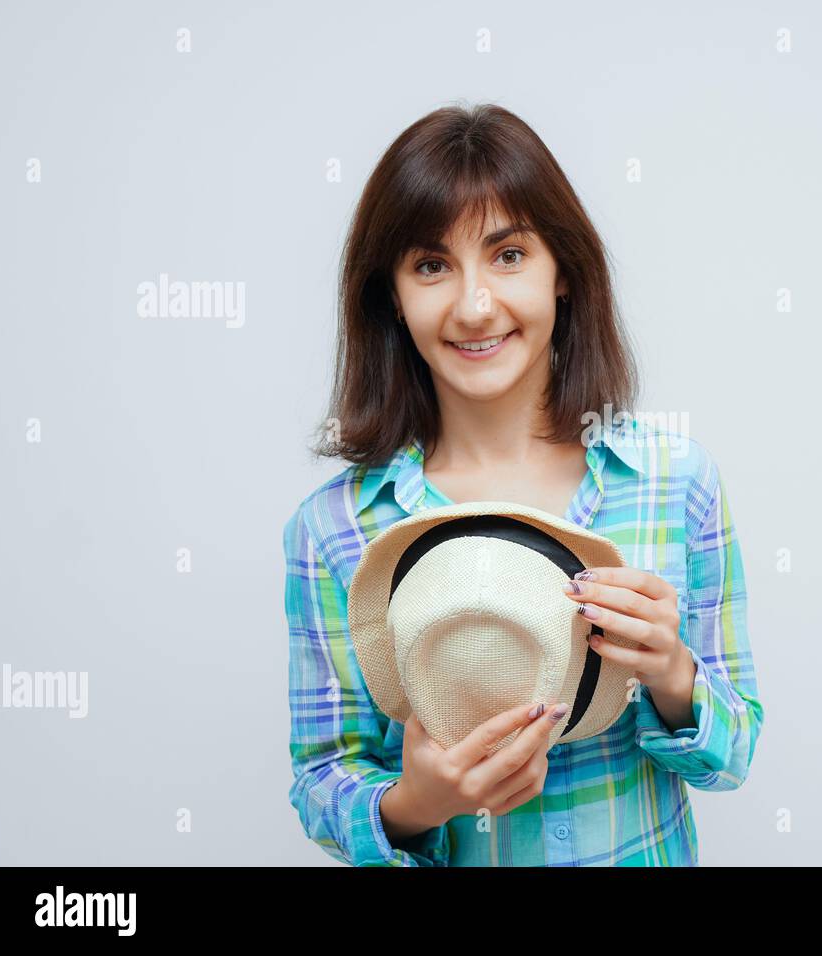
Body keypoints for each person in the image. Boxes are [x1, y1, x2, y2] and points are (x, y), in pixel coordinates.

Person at [282, 103, 763, 865]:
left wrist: (672, 672)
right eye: (432, 265)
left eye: (508, 255)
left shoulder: (675, 483)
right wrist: (417, 804)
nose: (475, 305)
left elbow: (734, 754)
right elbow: (321, 777)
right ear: (392, 297)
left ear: (563, 271)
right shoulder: (335, 529)